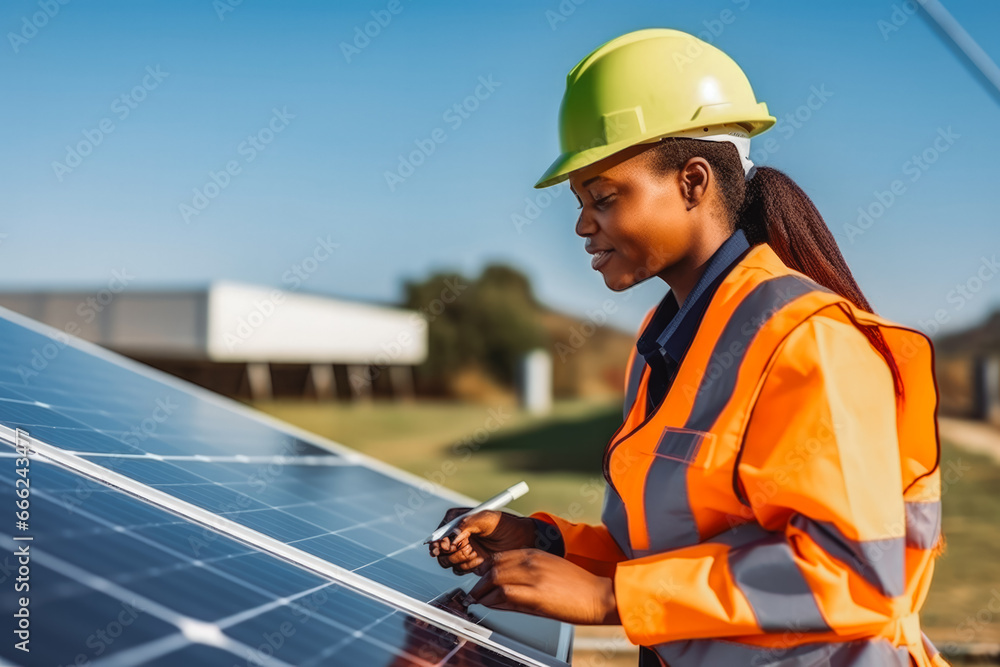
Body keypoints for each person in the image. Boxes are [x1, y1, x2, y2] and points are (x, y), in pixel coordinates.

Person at [428, 28, 947, 667]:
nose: (582, 225)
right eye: (580, 202)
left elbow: (853, 574)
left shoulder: (809, 342)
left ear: (693, 182)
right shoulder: (663, 347)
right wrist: (544, 541)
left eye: (604, 197)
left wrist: (609, 598)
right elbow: (679, 551)